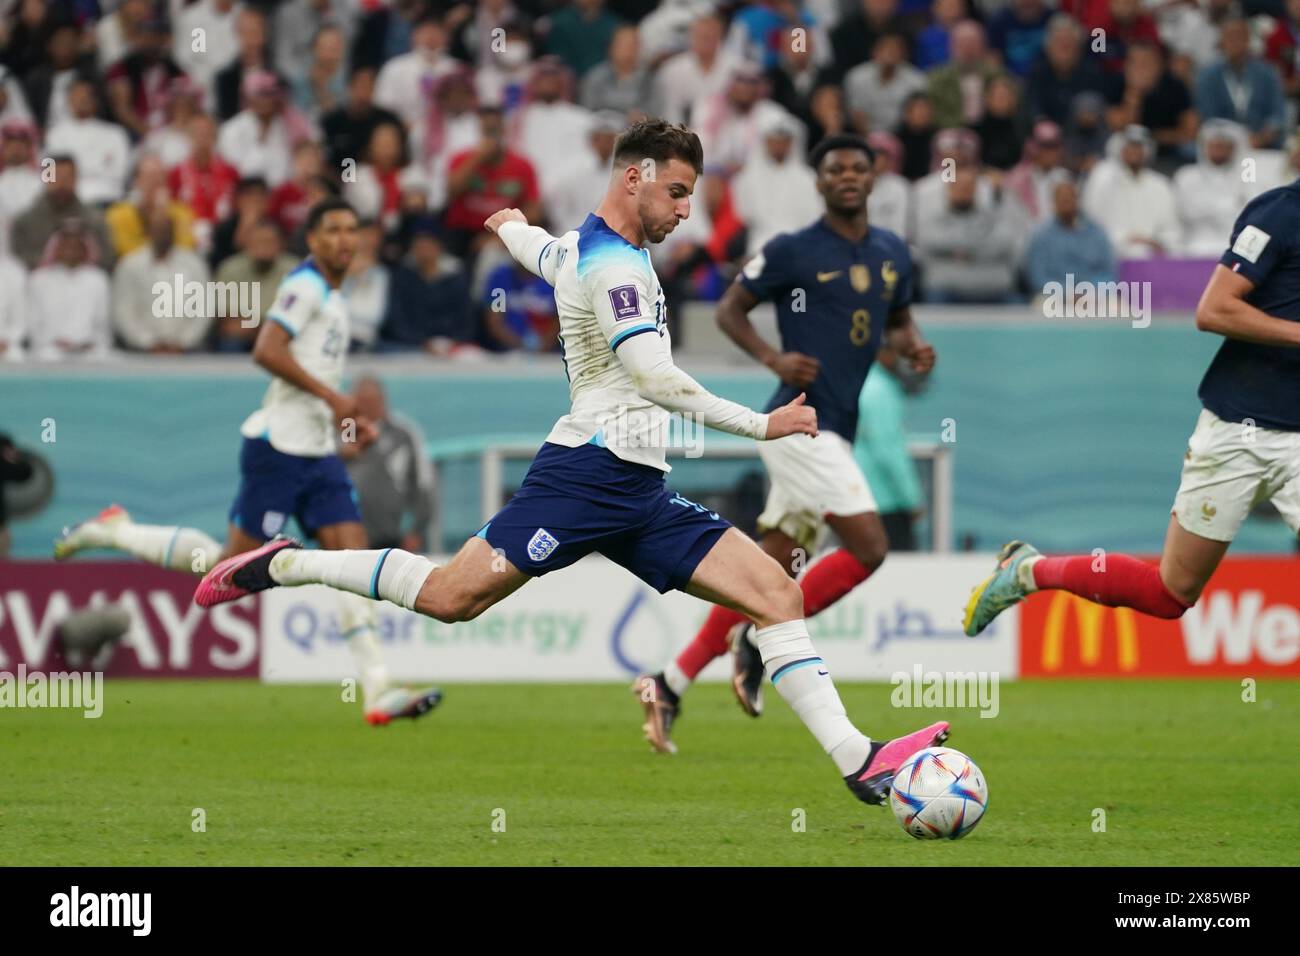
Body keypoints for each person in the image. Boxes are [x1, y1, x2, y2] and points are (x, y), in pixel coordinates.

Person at [194, 121, 949, 808]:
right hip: (585, 476)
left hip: (640, 491)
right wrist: (765, 424)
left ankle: (860, 761)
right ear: (634, 179)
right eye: (678, 192)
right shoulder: (617, 270)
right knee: (454, 597)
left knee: (775, 597)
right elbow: (657, 379)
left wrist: (511, 227)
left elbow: (541, 249)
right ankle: (287, 566)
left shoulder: (580, 250)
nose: (687, 210)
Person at [54, 199, 441, 727]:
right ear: (312, 240)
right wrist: (335, 400)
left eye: (353, 230)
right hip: (277, 453)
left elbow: (310, 385)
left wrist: (343, 428)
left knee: (352, 561)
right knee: (221, 566)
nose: (345, 239)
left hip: (317, 455)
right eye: (333, 230)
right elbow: (266, 349)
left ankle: (377, 687)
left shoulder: (334, 296)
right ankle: (115, 531)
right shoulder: (305, 287)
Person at [641, 133, 936, 750]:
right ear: (820, 182)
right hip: (800, 425)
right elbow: (729, 310)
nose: (848, 176)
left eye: (859, 167)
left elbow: (898, 319)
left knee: (768, 568)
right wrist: (774, 359)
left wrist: (913, 346)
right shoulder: (793, 251)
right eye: (835, 169)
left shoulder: (892, 253)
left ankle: (669, 682)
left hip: (837, 432)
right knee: (870, 546)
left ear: (873, 178)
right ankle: (754, 638)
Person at [964, 175, 1300, 637]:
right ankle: (1028, 571)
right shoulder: (1280, 212)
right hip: (1239, 428)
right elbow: (1214, 309)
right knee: (1170, 594)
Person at [340, 376, 435, 552]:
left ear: (382, 401)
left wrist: (417, 529)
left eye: (371, 401)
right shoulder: (346, 429)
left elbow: (422, 483)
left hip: (391, 536)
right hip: (347, 533)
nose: (365, 406)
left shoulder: (403, 433)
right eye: (360, 401)